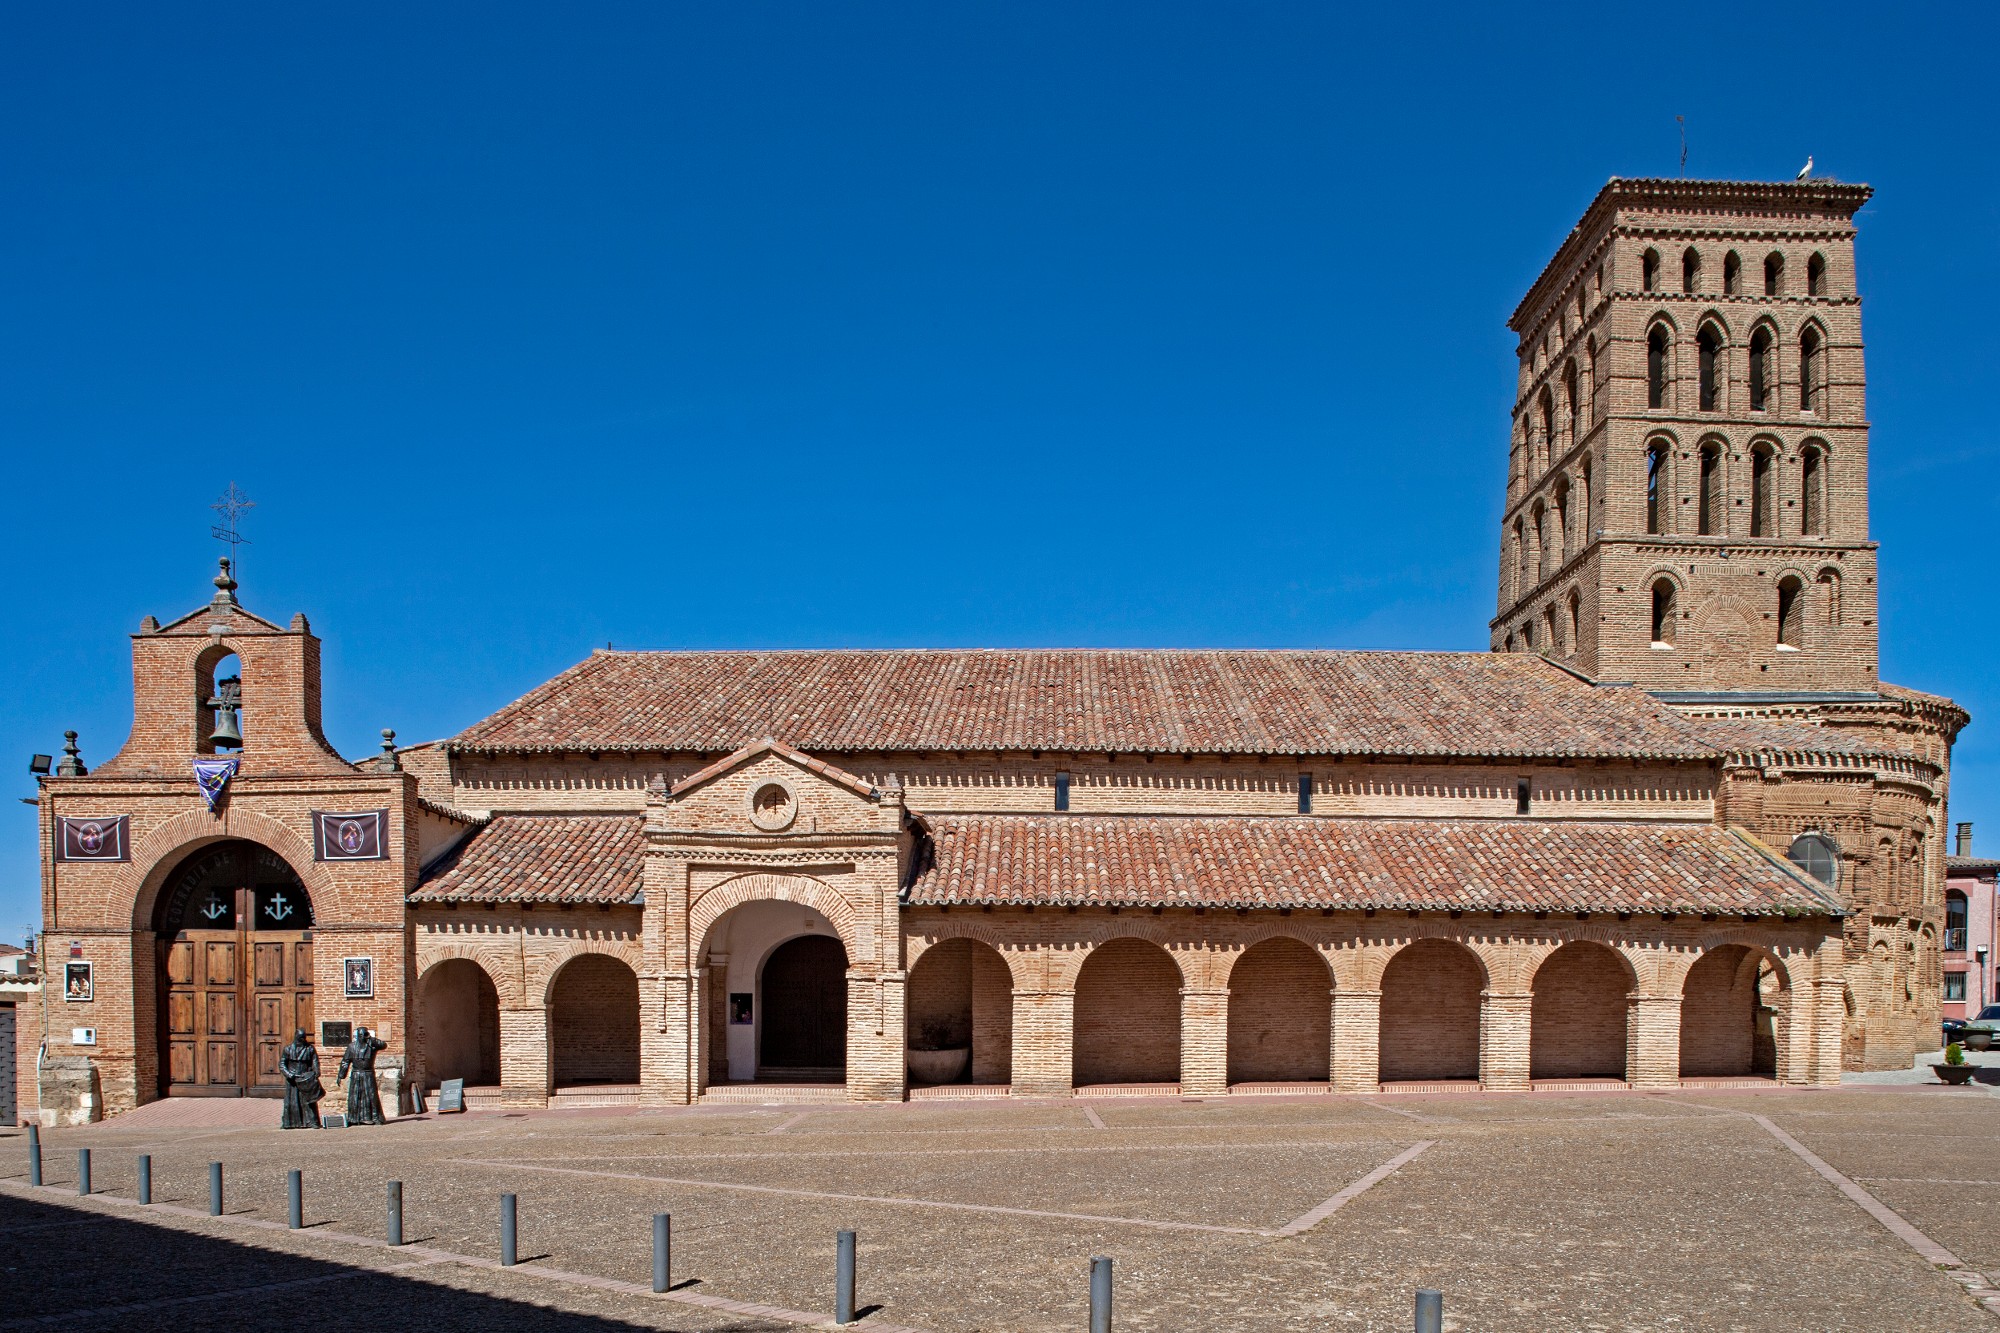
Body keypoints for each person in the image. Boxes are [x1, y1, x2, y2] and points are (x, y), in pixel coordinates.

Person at [336, 1026, 389, 1126]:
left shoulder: (372, 1046)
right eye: (361, 1035)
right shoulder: (351, 1047)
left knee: (371, 1096)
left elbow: (384, 1045)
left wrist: (372, 1039)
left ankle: (375, 1117)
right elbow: (345, 1062)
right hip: (356, 1074)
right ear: (358, 1036)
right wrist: (341, 1075)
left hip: (368, 1074)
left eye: (365, 1034)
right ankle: (354, 1118)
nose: (363, 1037)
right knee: (355, 1096)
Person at [279, 1028, 324, 1129]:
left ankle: (312, 1121)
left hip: (306, 1078)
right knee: (292, 1101)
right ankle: (290, 1123)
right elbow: (282, 1064)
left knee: (309, 1101)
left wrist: (316, 1072)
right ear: (296, 1037)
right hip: (293, 1079)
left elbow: (315, 1061)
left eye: (303, 1038)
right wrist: (289, 1074)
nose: (302, 1040)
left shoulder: (310, 1049)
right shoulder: (288, 1049)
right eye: (300, 1038)